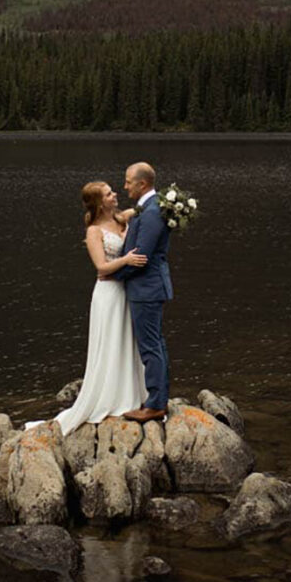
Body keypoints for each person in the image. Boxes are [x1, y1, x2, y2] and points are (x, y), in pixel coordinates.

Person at [52, 180, 150, 434]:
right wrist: (127, 259)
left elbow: (146, 207)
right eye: (108, 193)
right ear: (99, 202)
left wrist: (172, 205)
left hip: (127, 290)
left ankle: (134, 392)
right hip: (108, 293)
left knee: (128, 340)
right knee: (110, 341)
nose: (115, 194)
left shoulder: (123, 218)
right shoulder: (94, 231)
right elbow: (101, 268)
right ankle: (110, 396)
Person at [115, 161, 173, 423]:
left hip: (147, 288)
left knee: (150, 346)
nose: (125, 186)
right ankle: (157, 398)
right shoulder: (149, 207)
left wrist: (112, 274)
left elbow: (141, 256)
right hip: (148, 287)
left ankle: (155, 405)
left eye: (128, 182)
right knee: (155, 344)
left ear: (142, 184)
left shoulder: (151, 212)